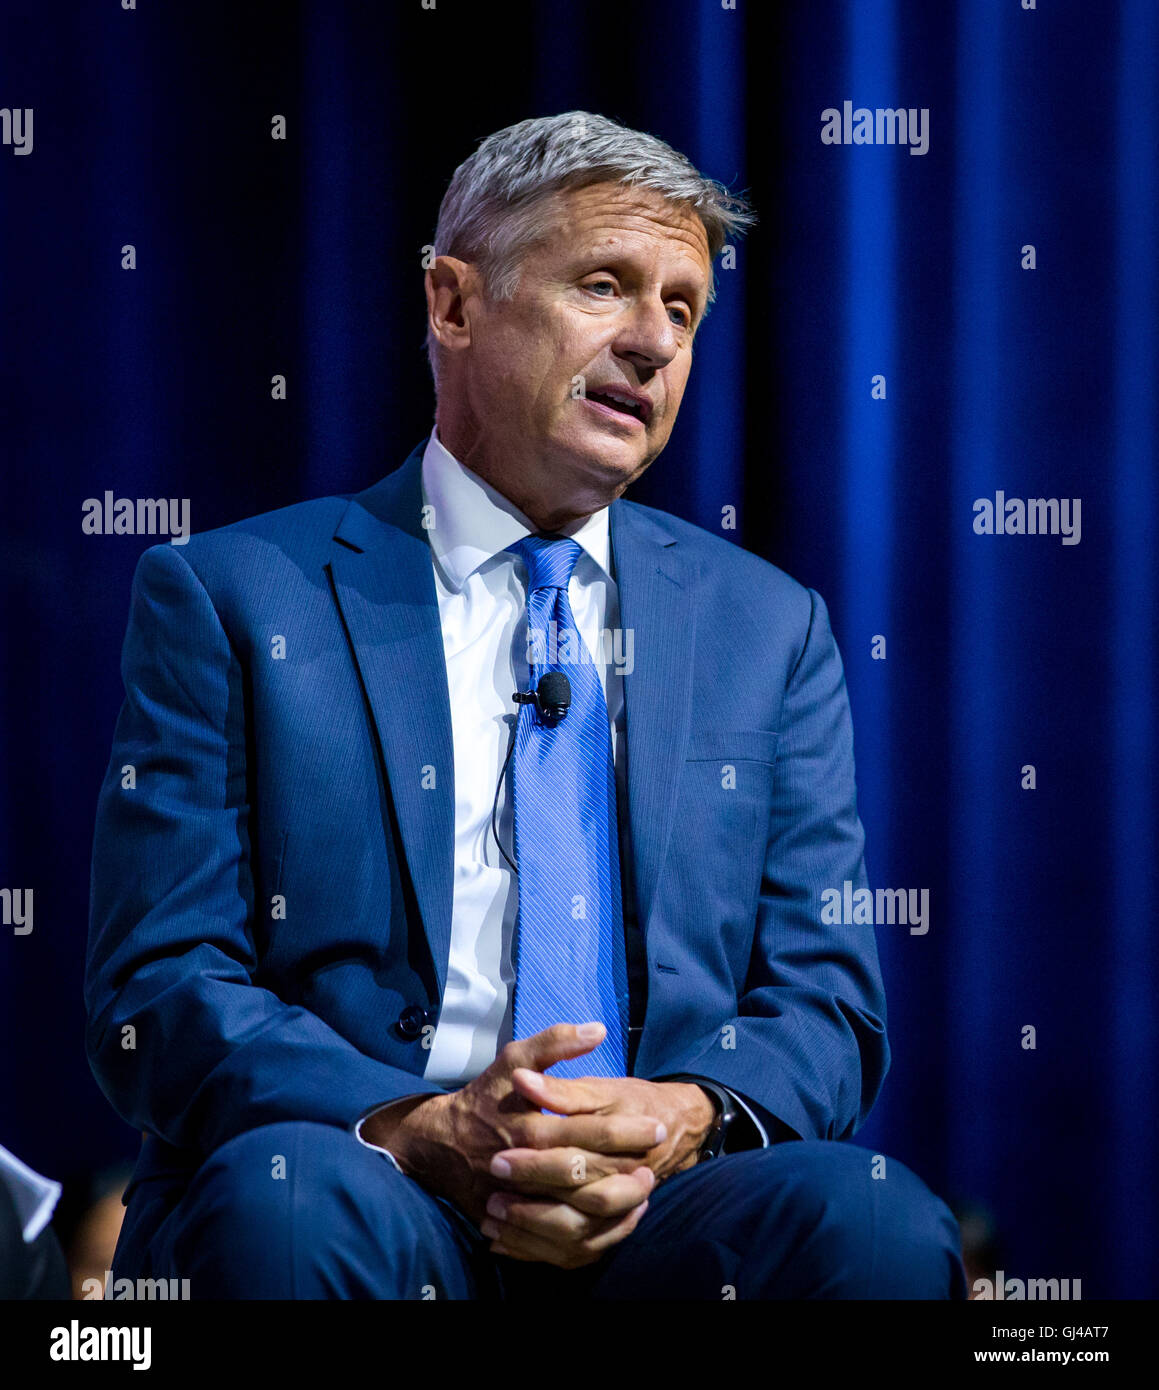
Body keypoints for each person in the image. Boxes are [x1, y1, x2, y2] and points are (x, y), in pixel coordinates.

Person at [85, 111, 965, 1300]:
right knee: (287, 1203)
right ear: (454, 305)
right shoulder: (236, 596)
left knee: (870, 1221)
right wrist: (425, 1125)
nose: (652, 343)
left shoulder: (769, 628)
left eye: (683, 308)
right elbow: (159, 983)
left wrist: (681, 1116)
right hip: (370, 1177)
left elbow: (827, 1002)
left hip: (661, 1203)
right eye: (604, 285)